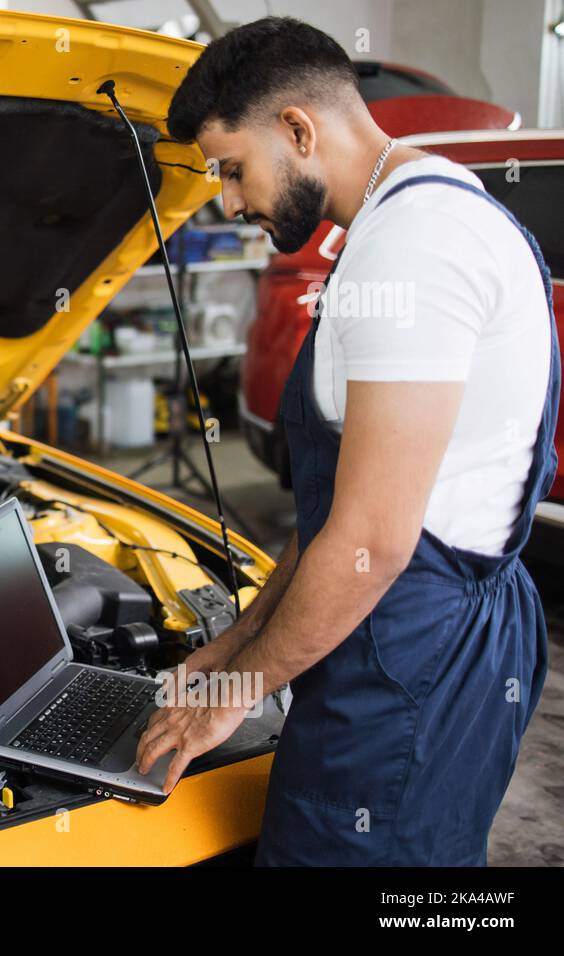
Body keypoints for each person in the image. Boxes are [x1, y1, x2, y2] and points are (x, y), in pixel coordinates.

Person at [134, 16, 558, 865]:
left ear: (298, 128)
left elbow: (371, 539)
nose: (229, 200)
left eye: (231, 168)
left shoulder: (413, 250)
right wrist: (235, 646)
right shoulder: (405, 218)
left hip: (415, 660)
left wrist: (234, 697)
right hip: (404, 634)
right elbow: (336, 515)